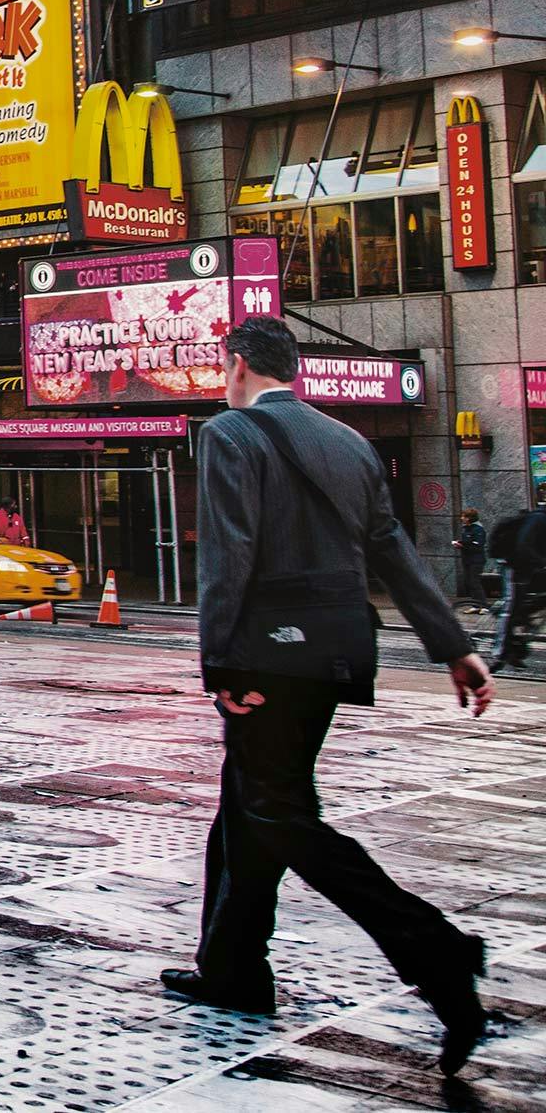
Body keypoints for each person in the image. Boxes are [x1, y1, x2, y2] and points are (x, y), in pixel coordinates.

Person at [167, 315, 493, 1075]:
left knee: (279, 814)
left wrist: (221, 665)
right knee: (248, 807)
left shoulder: (229, 435)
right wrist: (454, 646)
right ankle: (232, 970)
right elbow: (393, 549)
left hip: (267, 657)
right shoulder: (348, 441)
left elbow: (229, 554)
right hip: (337, 650)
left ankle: (439, 952)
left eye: (223, 365)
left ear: (238, 364)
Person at [489, 506, 544, 668]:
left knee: (528, 603)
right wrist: (541, 561)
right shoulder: (539, 519)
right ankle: (500, 651)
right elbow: (523, 545)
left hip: (528, 567)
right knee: (510, 607)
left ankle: (518, 633)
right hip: (513, 565)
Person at [457, 508, 488, 610]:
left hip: (476, 560)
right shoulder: (466, 529)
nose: (462, 518)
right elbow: (469, 542)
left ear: (469, 518)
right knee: (470, 582)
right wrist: (460, 543)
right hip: (467, 559)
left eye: (464, 516)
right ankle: (476, 605)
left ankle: (483, 606)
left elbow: (478, 546)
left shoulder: (478, 529)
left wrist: (462, 546)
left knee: (475, 583)